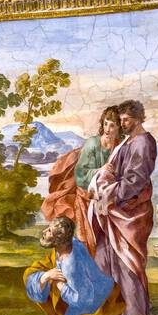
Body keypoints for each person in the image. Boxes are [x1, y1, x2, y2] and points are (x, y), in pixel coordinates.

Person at [88, 100, 157, 315]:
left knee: (128, 261)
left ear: (138, 119)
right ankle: (112, 310)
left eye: (126, 119)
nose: (122, 123)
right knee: (106, 257)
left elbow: (136, 180)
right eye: (122, 119)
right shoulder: (129, 142)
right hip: (117, 210)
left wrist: (110, 193)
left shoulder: (143, 143)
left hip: (132, 212)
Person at [41, 106, 124, 254]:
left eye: (112, 125)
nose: (108, 129)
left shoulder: (119, 147)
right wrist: (100, 170)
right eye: (105, 124)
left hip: (107, 199)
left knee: (107, 244)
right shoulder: (92, 144)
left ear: (119, 127)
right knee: (87, 240)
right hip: (87, 198)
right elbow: (80, 175)